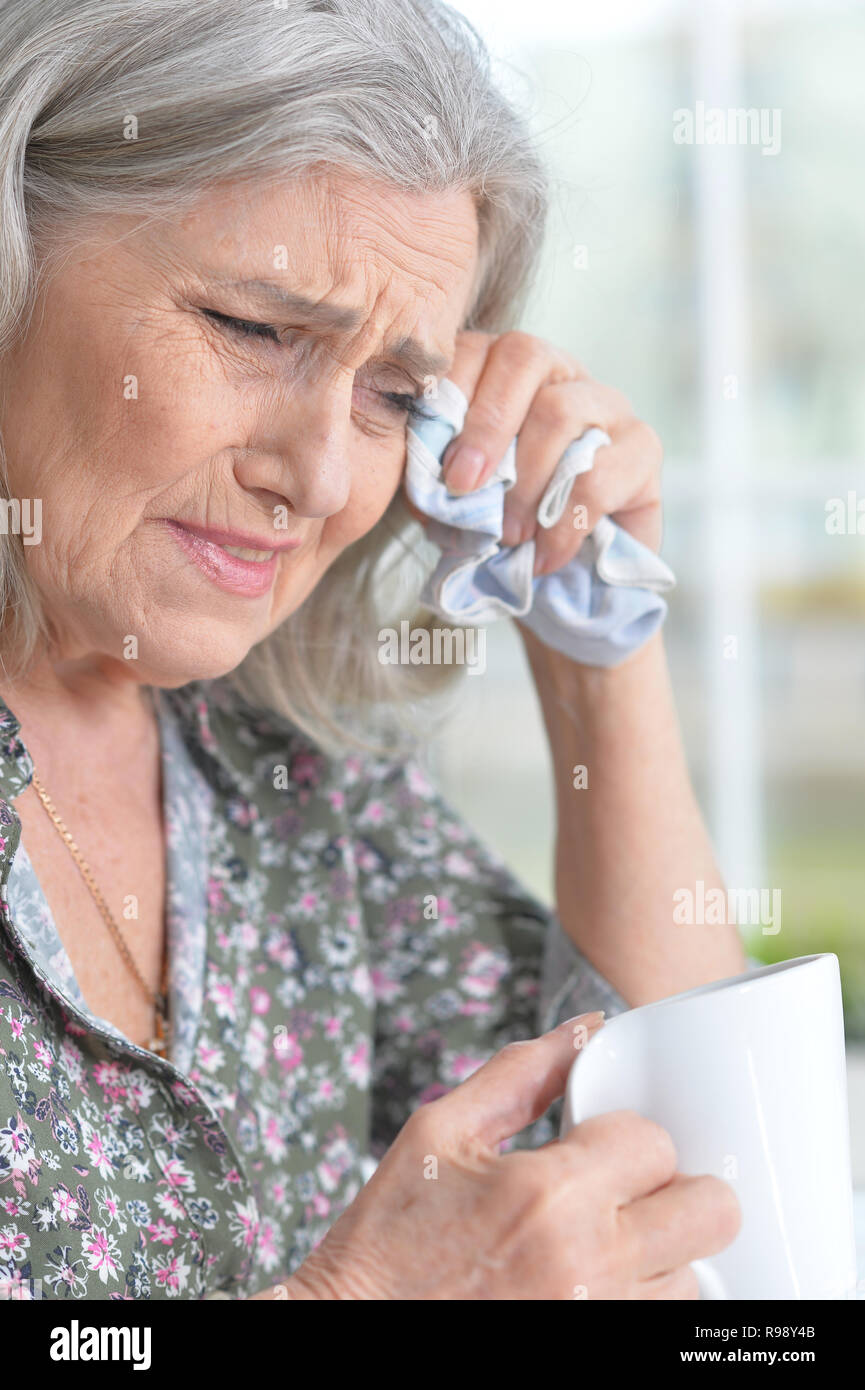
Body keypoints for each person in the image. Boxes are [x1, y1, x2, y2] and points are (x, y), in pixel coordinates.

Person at [0, 0, 742, 1300]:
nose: (322, 474)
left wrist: (595, 654)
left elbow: (699, 1211)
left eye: (393, 393)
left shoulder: (290, 779)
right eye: (250, 327)